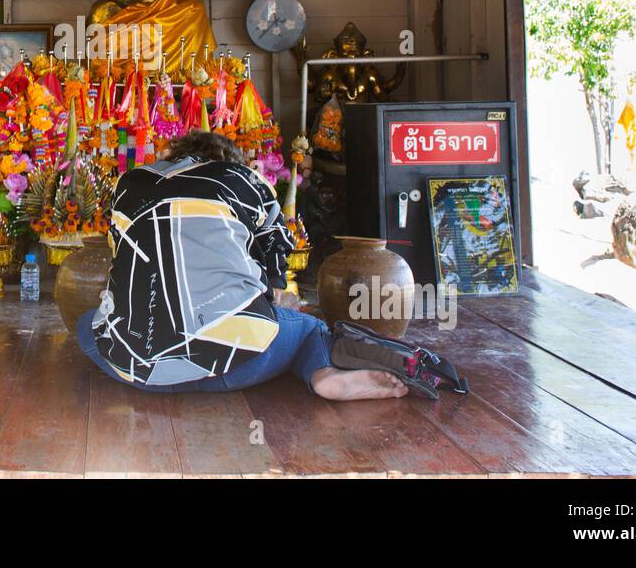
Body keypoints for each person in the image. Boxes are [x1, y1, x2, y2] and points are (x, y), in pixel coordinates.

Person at [76, 131, 407, 401]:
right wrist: (275, 294)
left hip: (136, 370)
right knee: (308, 328)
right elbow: (276, 254)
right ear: (226, 160)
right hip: (237, 366)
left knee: (86, 324)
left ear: (177, 155)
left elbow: (120, 259)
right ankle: (323, 375)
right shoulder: (243, 179)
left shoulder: (130, 183)